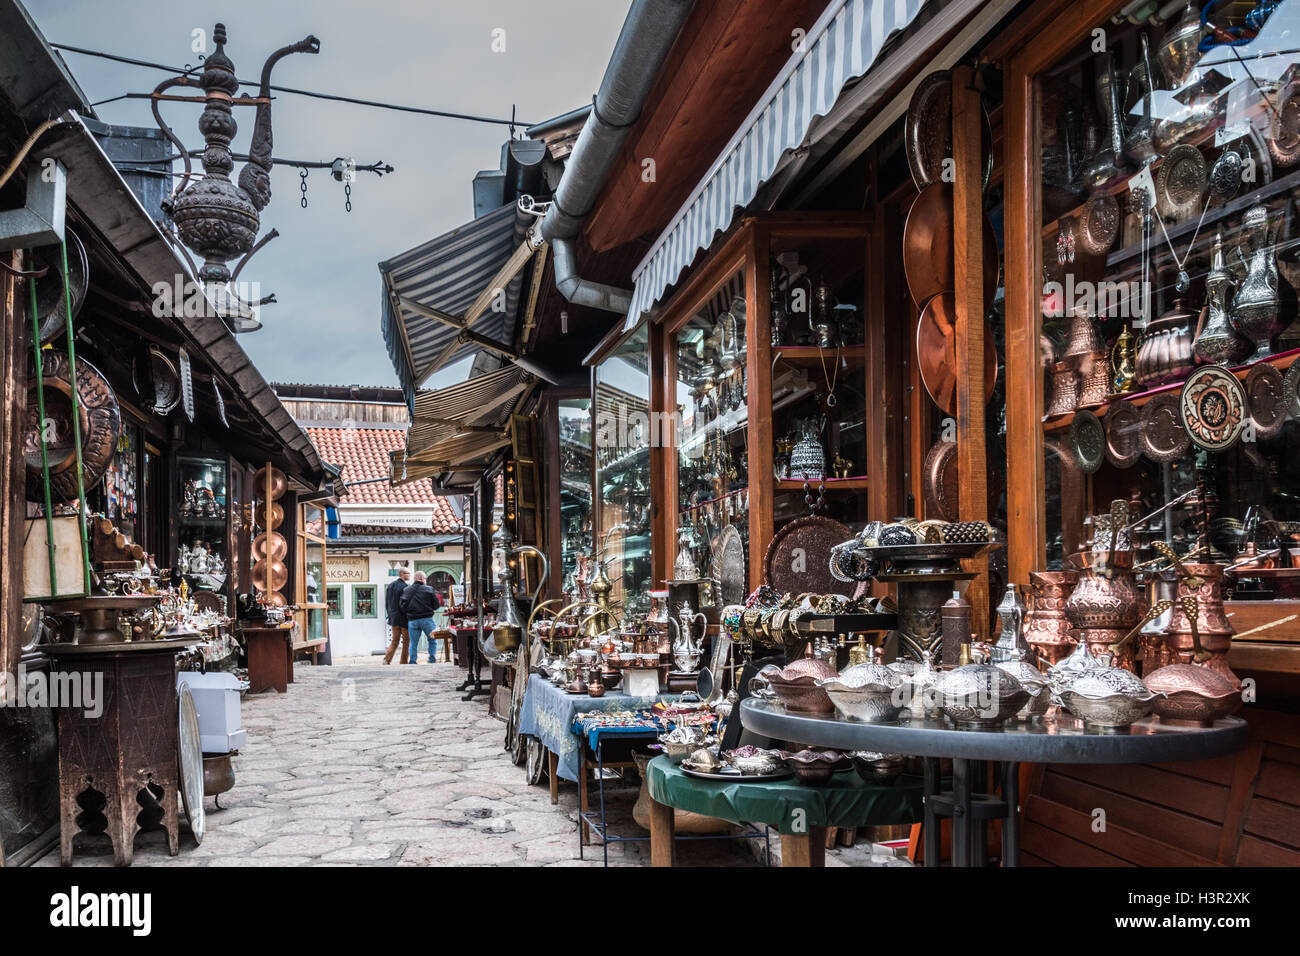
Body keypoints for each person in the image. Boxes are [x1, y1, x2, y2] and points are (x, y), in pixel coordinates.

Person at [400, 570, 442, 663]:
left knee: (413, 643)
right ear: (422, 579)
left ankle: (413, 661)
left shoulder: (407, 590)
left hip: (412, 620)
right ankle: (431, 659)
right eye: (425, 579)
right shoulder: (429, 589)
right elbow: (436, 605)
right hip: (426, 619)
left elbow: (402, 606)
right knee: (432, 639)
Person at [382, 568, 411, 665]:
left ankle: (387, 659)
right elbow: (404, 604)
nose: (409, 575)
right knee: (406, 641)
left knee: (395, 640)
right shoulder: (405, 587)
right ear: (402, 574)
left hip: (393, 618)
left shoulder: (390, 586)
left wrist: (390, 614)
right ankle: (403, 662)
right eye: (408, 573)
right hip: (403, 618)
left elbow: (387, 603)